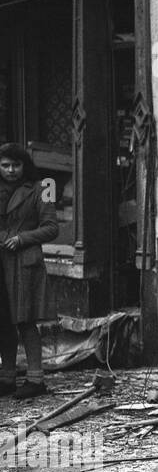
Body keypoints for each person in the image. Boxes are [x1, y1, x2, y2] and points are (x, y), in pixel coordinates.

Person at [0, 144, 58, 399]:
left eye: (16, 165)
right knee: (3, 321)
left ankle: (36, 379)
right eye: (5, 165)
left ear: (25, 165)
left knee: (25, 320)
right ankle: (7, 377)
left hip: (24, 262)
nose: (11, 170)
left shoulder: (43, 186)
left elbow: (52, 228)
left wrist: (22, 238)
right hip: (1, 260)